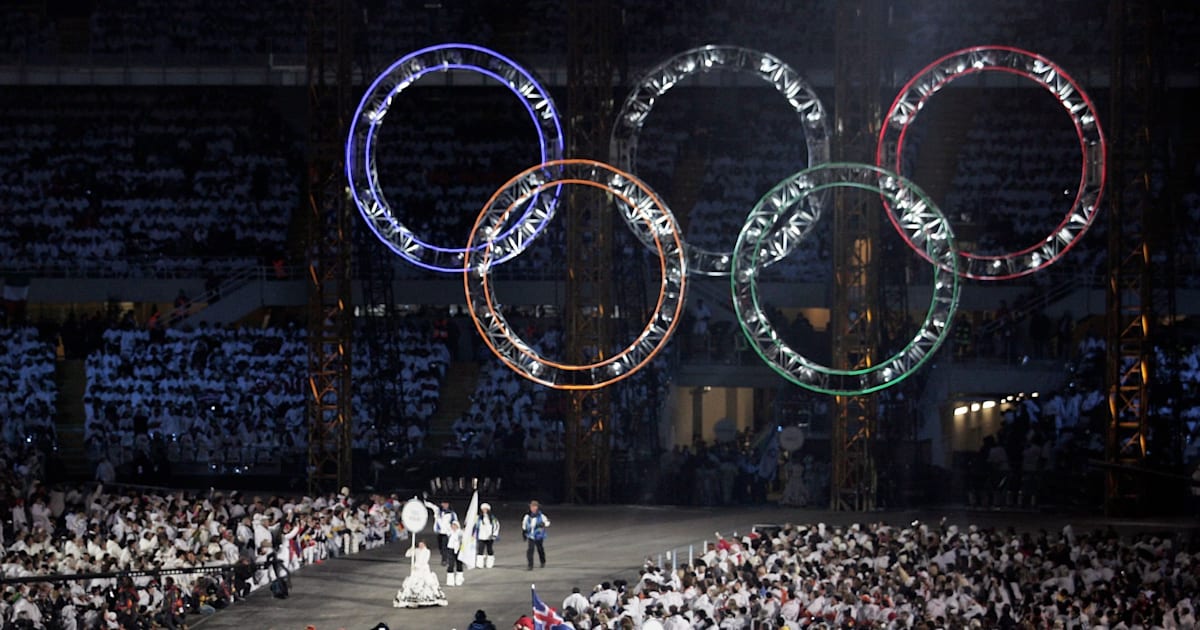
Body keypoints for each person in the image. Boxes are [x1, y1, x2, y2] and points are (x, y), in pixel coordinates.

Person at [393, 541, 447, 608]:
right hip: (416, 571)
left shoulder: (427, 551)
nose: (420, 546)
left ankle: (434, 596)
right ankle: (410, 599)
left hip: (424, 570)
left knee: (429, 582)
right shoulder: (416, 550)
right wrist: (411, 549)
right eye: (419, 545)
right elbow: (407, 555)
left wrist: (417, 566)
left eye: (422, 544)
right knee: (411, 582)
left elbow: (425, 560)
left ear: (424, 544)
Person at [521, 500, 550, 570]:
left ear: (537, 507)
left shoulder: (541, 515)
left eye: (534, 506)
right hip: (531, 535)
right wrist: (524, 532)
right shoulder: (527, 516)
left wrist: (543, 524)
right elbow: (524, 524)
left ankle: (542, 561)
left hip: (539, 535)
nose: (533, 508)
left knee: (540, 548)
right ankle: (530, 565)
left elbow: (548, 522)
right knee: (530, 549)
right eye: (532, 506)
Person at [474, 502, 499, 568]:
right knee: (480, 550)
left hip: (490, 537)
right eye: (483, 509)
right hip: (481, 536)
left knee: (489, 549)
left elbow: (496, 526)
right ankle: (479, 563)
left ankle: (490, 563)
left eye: (486, 509)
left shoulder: (492, 518)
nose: (484, 510)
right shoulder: (478, 518)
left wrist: (494, 534)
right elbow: (474, 525)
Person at [446, 521, 465, 586]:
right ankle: (450, 580)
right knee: (451, 564)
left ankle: (459, 579)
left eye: (455, 525)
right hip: (450, 549)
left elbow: (464, 537)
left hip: (459, 549)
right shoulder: (449, 532)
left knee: (459, 564)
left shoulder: (460, 532)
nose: (453, 527)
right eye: (452, 525)